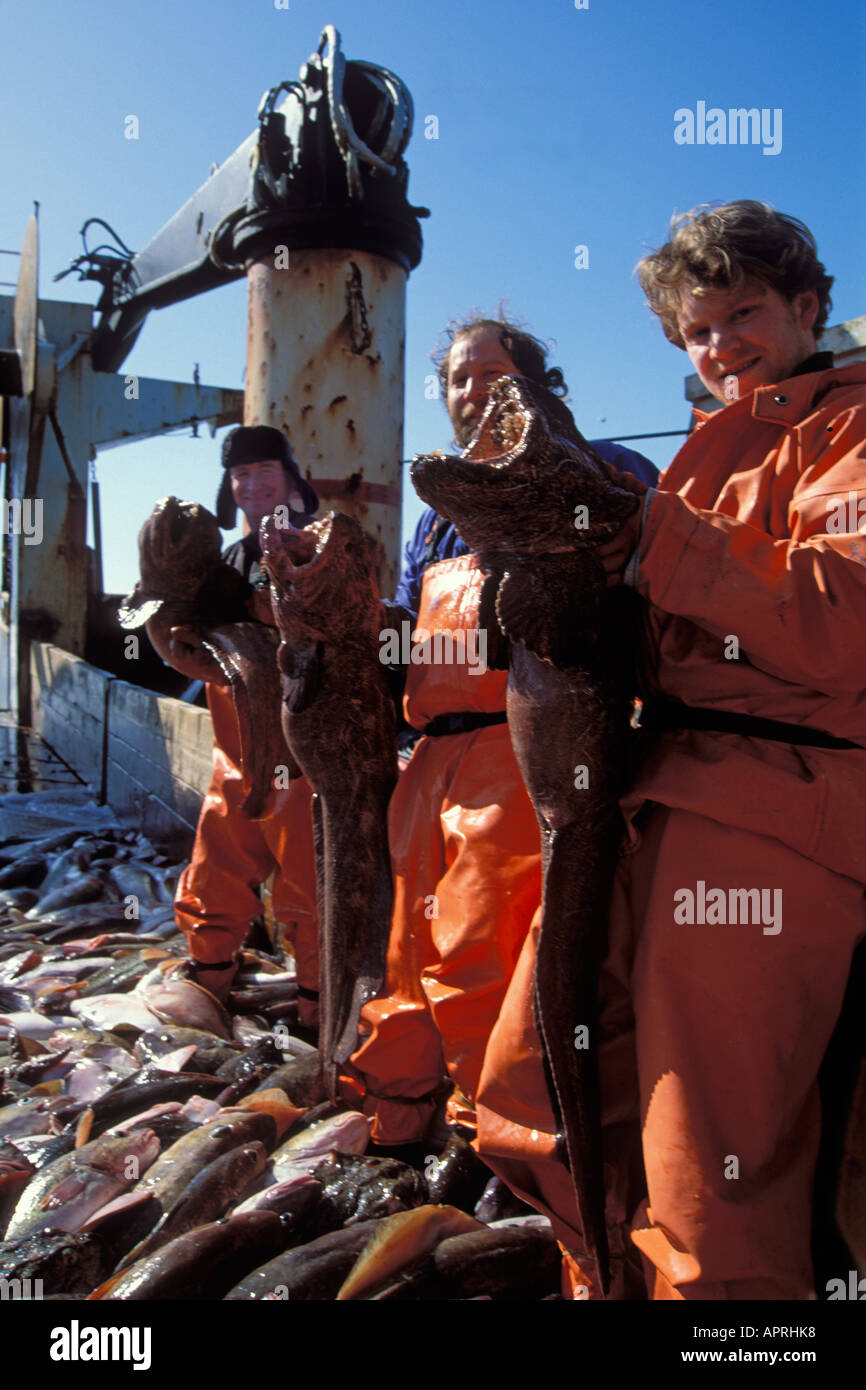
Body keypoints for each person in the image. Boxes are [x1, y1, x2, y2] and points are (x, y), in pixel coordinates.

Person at [474, 202, 866, 1300]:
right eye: (694, 331)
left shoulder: (848, 429)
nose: (718, 345)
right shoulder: (708, 448)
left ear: (807, 307)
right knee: (531, 1091)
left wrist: (648, 534)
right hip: (648, 793)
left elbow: (838, 618)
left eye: (741, 312)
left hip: (775, 814)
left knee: (708, 1160)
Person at [344, 316, 657, 1148]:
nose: (471, 392)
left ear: (539, 385)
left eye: (491, 374)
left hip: (517, 752)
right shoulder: (434, 518)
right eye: (456, 379)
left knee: (483, 956)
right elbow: (409, 633)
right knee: (405, 944)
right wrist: (347, 629)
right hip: (430, 756)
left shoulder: (608, 468)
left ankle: (494, 1145)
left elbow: (637, 589)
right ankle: (399, 1113)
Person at [170, 425, 322, 1023]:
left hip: (298, 749)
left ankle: (315, 1001)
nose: (252, 485)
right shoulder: (223, 563)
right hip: (231, 751)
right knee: (216, 863)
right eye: (240, 477)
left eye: (264, 473)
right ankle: (210, 976)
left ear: (290, 481)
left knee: (307, 875)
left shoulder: (316, 547)